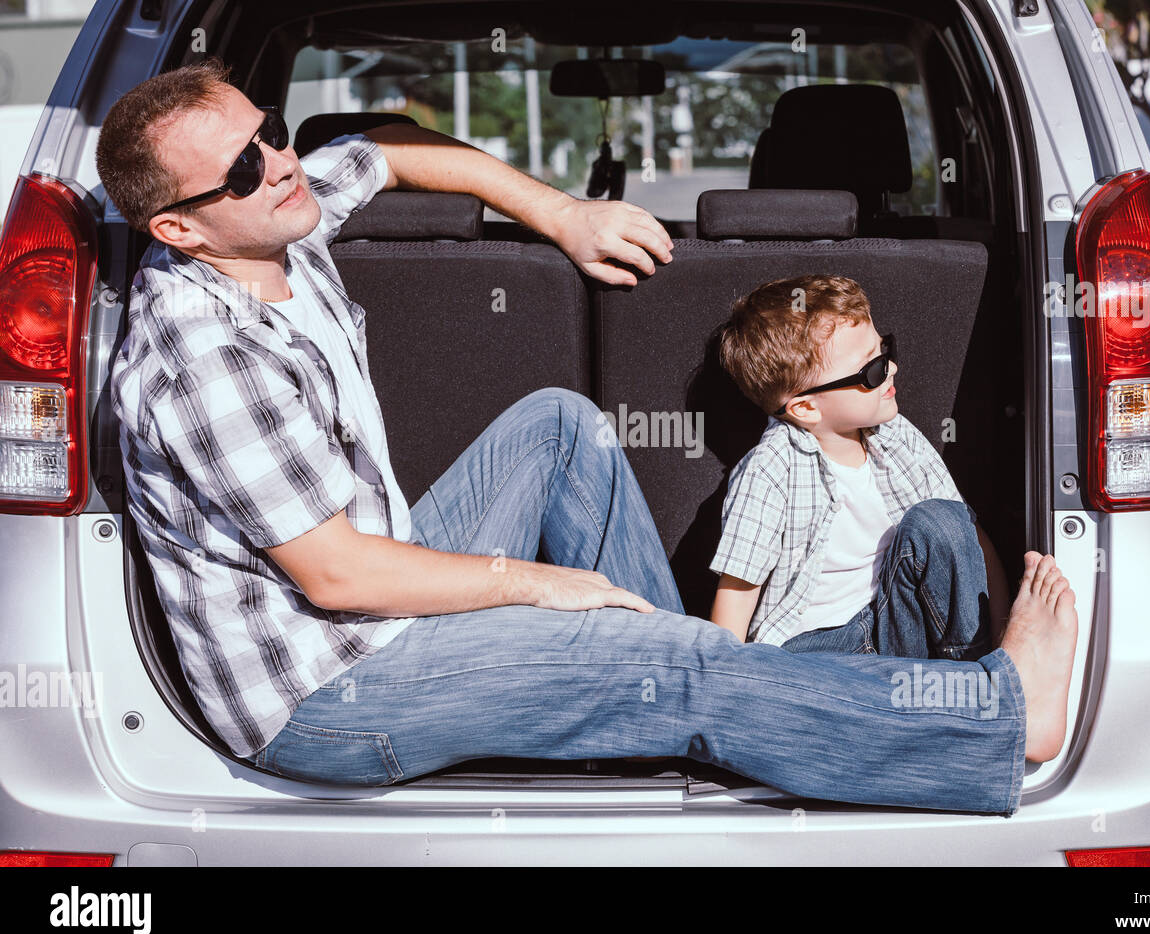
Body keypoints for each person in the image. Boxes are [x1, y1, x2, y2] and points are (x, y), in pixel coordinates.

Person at [102, 59, 1077, 814]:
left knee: (559, 428)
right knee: (683, 668)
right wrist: (533, 580)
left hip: (362, 604)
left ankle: (684, 683)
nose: (277, 164)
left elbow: (387, 147)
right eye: (242, 167)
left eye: (269, 133)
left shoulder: (276, 217)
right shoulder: (202, 358)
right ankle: (992, 719)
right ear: (180, 231)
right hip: (328, 690)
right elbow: (339, 579)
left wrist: (559, 211)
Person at [710, 274, 1015, 666]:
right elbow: (738, 589)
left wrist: (1005, 644)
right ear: (805, 408)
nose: (890, 371)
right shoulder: (770, 469)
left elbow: (968, 540)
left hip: (896, 626)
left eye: (884, 352)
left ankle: (969, 677)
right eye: (870, 371)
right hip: (816, 652)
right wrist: (723, 681)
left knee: (942, 519)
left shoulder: (896, 436)